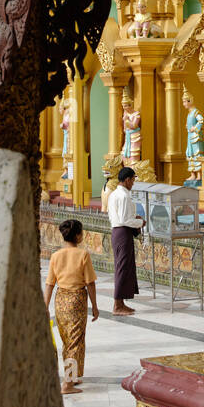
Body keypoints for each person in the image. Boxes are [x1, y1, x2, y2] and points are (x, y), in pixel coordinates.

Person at [44, 219, 98, 395]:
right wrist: (95, 306)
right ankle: (67, 384)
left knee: (68, 341)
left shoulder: (55, 256)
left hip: (60, 300)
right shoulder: (83, 255)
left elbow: (50, 284)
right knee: (75, 342)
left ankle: (72, 376)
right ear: (77, 235)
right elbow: (90, 283)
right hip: (77, 300)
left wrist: (45, 306)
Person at [106, 167, 143, 315]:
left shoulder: (114, 194)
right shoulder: (123, 196)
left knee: (124, 266)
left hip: (118, 232)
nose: (133, 183)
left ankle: (121, 302)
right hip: (122, 232)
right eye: (133, 180)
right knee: (122, 267)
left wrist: (135, 219)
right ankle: (117, 305)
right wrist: (141, 223)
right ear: (127, 180)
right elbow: (124, 219)